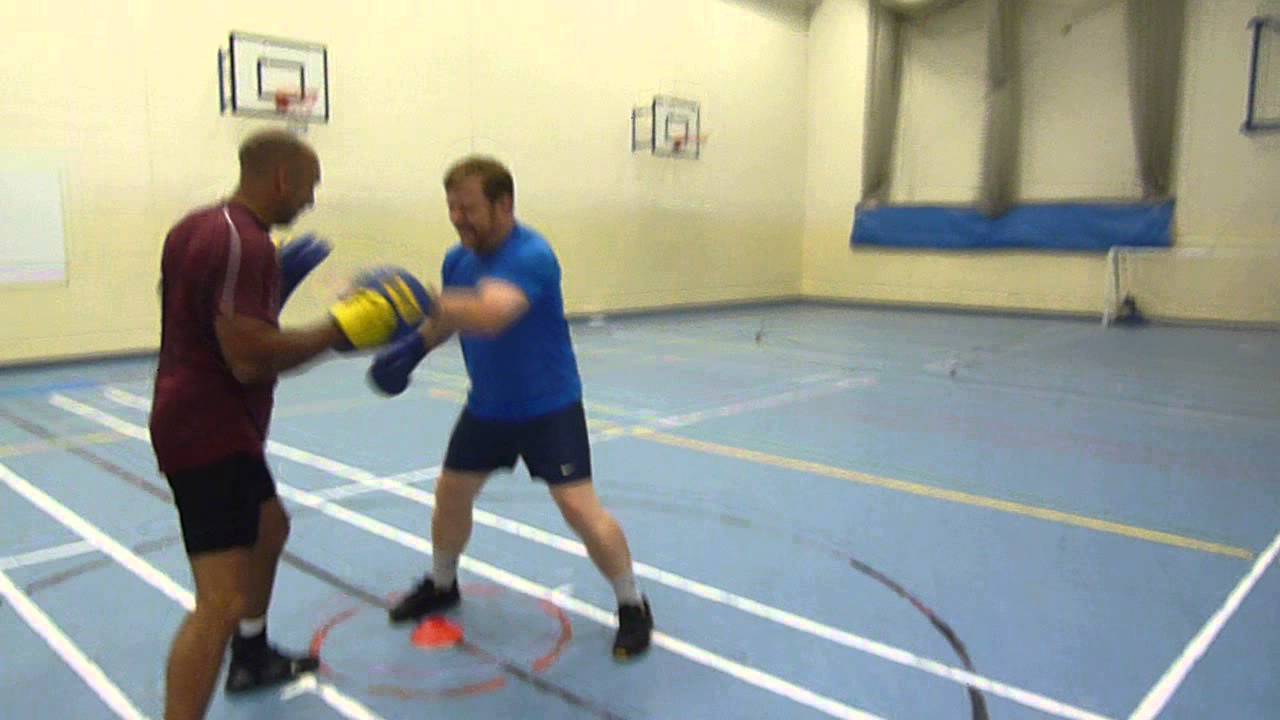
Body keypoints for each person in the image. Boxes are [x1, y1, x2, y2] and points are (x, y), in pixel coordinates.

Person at [149, 129, 432, 720]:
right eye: (308, 185)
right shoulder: (246, 243)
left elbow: (194, 313)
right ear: (282, 178)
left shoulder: (197, 227)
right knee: (219, 603)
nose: (310, 199)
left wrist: (270, 290)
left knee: (270, 527)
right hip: (209, 431)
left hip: (205, 418)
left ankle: (251, 655)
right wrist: (339, 330)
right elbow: (248, 358)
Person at [371, 155, 655, 659]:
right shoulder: (458, 260)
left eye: (468, 208)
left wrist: (418, 300)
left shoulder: (531, 254)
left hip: (548, 408)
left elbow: (490, 313)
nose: (458, 218)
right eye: (451, 208)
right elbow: (451, 318)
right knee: (450, 494)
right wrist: (412, 350)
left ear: (503, 204)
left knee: (578, 507)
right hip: (488, 408)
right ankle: (442, 583)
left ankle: (632, 604)